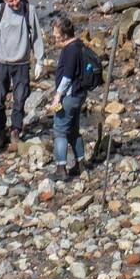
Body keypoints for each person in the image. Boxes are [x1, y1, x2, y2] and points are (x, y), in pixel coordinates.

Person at [0, 0, 44, 151]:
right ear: (4, 0)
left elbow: (36, 35)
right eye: (11, 1)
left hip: (21, 63)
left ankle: (16, 130)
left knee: (20, 98)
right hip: (1, 62)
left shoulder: (29, 10)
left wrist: (40, 60)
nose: (16, 3)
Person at [49, 15, 88, 181]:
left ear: (64, 35)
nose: (54, 35)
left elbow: (67, 76)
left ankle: (61, 168)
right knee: (73, 130)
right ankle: (80, 164)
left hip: (70, 96)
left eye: (56, 33)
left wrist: (57, 96)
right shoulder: (79, 45)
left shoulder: (70, 50)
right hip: (79, 95)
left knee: (60, 131)